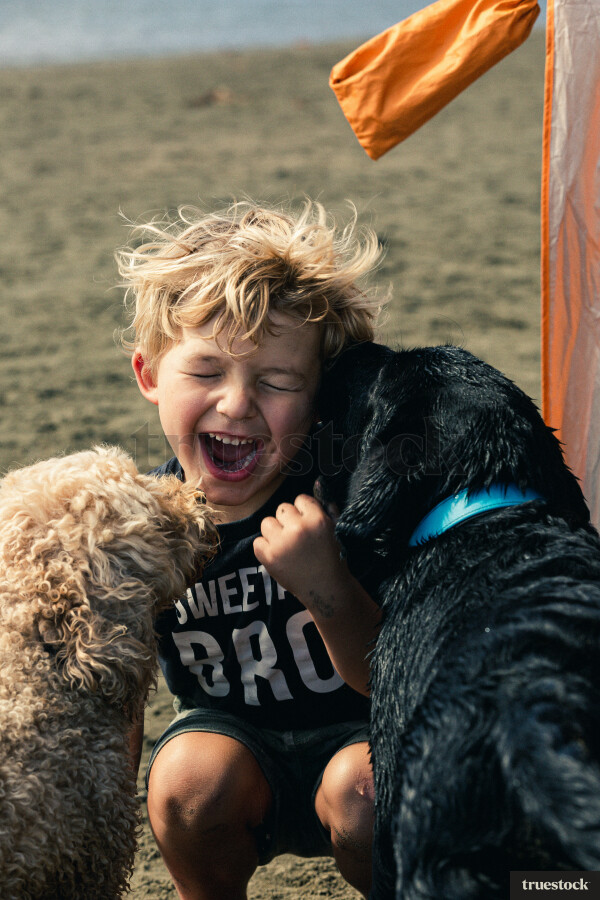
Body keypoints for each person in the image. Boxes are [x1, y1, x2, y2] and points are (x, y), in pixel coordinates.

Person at [117, 199, 384, 900]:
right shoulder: (148, 532)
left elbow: (387, 677)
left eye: (275, 382)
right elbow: (120, 698)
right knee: (183, 787)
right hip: (235, 743)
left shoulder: (346, 498)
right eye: (205, 372)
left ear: (319, 396)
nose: (235, 404)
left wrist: (325, 584)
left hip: (360, 734)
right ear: (148, 375)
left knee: (368, 795)